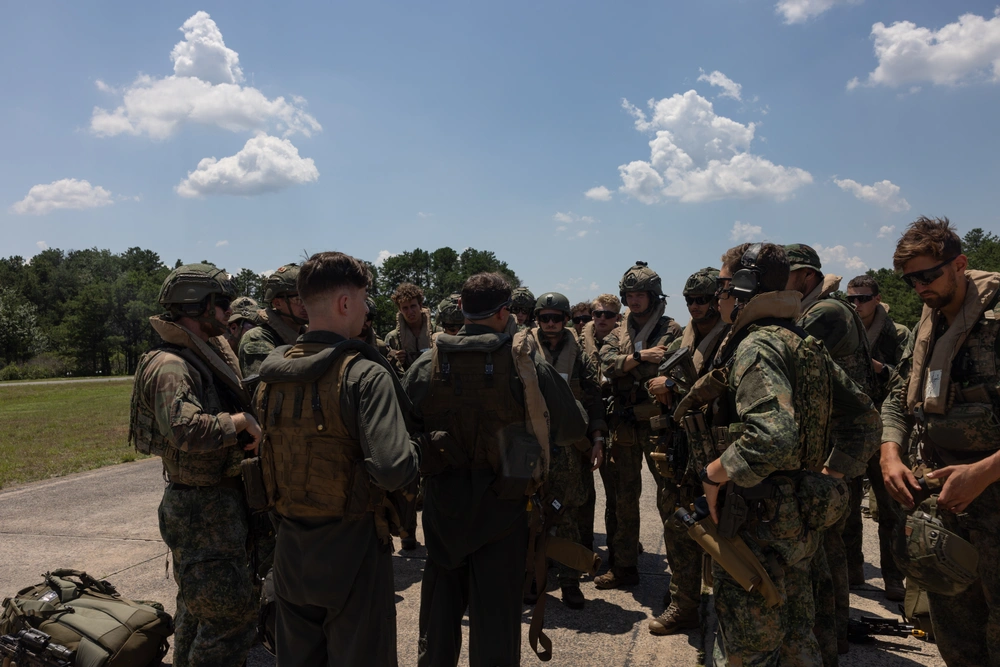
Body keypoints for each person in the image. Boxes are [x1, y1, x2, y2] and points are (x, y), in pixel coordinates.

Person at [697, 243, 880, 665]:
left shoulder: (757, 346)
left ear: (744, 288)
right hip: (797, 522)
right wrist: (829, 477)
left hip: (754, 522)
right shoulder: (803, 343)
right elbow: (866, 418)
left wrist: (713, 475)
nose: (718, 296)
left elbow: (773, 436)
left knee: (747, 649)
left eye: (722, 286)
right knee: (798, 641)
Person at [402, 273, 587, 667]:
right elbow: (573, 427)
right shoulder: (526, 364)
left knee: (439, 615)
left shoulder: (427, 363)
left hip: (443, 508)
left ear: (462, 309)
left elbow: (402, 432)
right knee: (497, 622)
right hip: (505, 507)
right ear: (504, 312)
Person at [255, 251, 420, 667]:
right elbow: (393, 468)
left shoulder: (270, 377)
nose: (366, 310)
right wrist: (417, 450)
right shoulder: (365, 374)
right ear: (345, 303)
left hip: (289, 547)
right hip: (353, 549)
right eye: (363, 300)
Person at [879, 217, 1000, 667]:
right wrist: (890, 452)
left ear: (960, 264)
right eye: (910, 280)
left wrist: (982, 472)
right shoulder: (930, 324)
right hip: (947, 509)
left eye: (928, 275)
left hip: (992, 497)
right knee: (956, 636)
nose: (919, 287)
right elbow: (899, 395)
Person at [128, 263, 261, 667]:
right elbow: (184, 430)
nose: (228, 311)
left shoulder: (199, 353)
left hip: (213, 506)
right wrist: (240, 422)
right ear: (196, 305)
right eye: (221, 303)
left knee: (197, 611)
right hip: (203, 512)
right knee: (229, 620)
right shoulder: (172, 364)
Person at [786, 243, 879, 661]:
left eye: (788, 274)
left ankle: (831, 635)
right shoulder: (829, 308)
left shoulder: (824, 312)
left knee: (825, 546)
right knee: (830, 543)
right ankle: (834, 632)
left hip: (836, 445)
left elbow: (790, 357)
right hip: (838, 442)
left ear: (807, 275)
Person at [645, 267, 728, 635]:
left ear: (718, 300)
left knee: (723, 528)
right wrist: (660, 386)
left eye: (703, 299)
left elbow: (726, 386)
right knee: (677, 522)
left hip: (718, 447)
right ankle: (684, 600)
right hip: (682, 443)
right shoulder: (685, 338)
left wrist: (673, 385)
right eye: (690, 300)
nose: (695, 306)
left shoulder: (732, 338)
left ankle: (726, 606)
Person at [596, 261, 682, 589]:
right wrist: (641, 358)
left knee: (669, 498)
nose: (634, 300)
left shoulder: (671, 329)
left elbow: (673, 365)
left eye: (640, 295)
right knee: (623, 497)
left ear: (653, 296)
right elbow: (607, 363)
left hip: (658, 424)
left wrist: (627, 365)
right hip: (624, 423)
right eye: (630, 295)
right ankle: (623, 567)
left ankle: (681, 581)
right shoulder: (618, 331)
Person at [530, 292, 607, 609]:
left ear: (565, 320)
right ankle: (533, 575)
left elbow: (595, 399)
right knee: (531, 512)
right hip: (533, 445)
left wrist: (598, 439)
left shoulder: (580, 357)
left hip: (569, 448)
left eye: (556, 318)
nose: (550, 323)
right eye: (544, 318)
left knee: (569, 513)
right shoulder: (523, 351)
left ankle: (570, 582)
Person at [842, 274, 910, 602]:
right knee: (847, 507)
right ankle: (853, 569)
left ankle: (894, 577)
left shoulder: (899, 334)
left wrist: (878, 368)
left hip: (885, 433)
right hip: (850, 431)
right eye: (850, 299)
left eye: (863, 298)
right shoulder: (843, 332)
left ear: (877, 298)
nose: (856, 304)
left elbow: (909, 381)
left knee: (891, 510)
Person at [238, 264, 308, 377]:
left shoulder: (306, 335)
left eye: (309, 298)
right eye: (299, 299)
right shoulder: (258, 338)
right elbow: (265, 384)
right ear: (277, 303)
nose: (306, 305)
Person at [385, 282, 433, 373]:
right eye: (405, 308)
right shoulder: (392, 338)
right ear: (400, 309)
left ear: (420, 305)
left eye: (413, 306)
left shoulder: (436, 332)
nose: (410, 312)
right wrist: (396, 361)